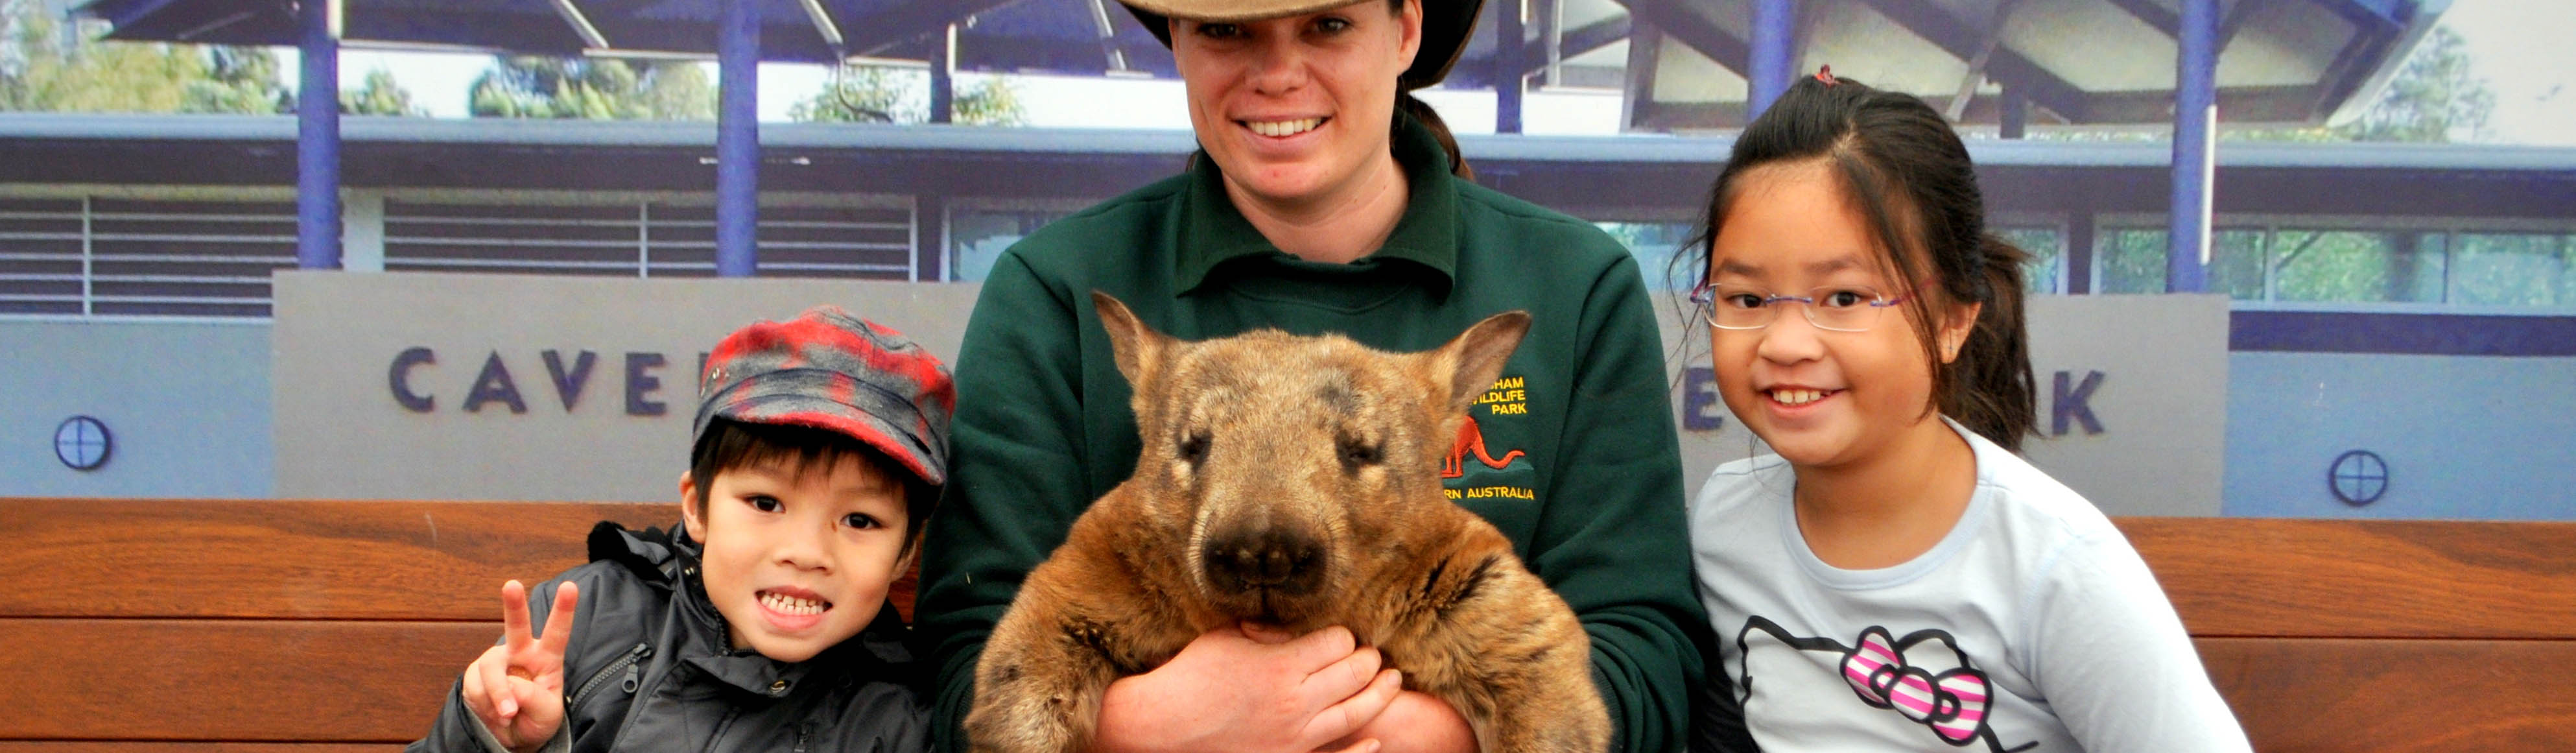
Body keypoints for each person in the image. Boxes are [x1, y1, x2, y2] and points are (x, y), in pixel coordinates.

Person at [916, 1, 1732, 752]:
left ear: (1405, 29)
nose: (1277, 75)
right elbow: (966, 664)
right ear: (1177, 40)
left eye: (1327, 25)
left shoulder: (1571, 285)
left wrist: (1408, 731)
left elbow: (1645, 656)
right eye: (1226, 30)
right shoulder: (1058, 288)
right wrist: (1145, 727)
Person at [1682, 67, 2253, 752]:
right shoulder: (1724, 523)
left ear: (1952, 318)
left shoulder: (2056, 564)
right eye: (1747, 299)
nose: (1785, 343)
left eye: (1844, 298)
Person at [407, 306, 952, 753]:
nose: (807, 552)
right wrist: (492, 738)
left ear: (905, 551)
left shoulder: (901, 720)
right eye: (766, 502)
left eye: (859, 520)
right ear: (697, 508)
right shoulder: (587, 617)